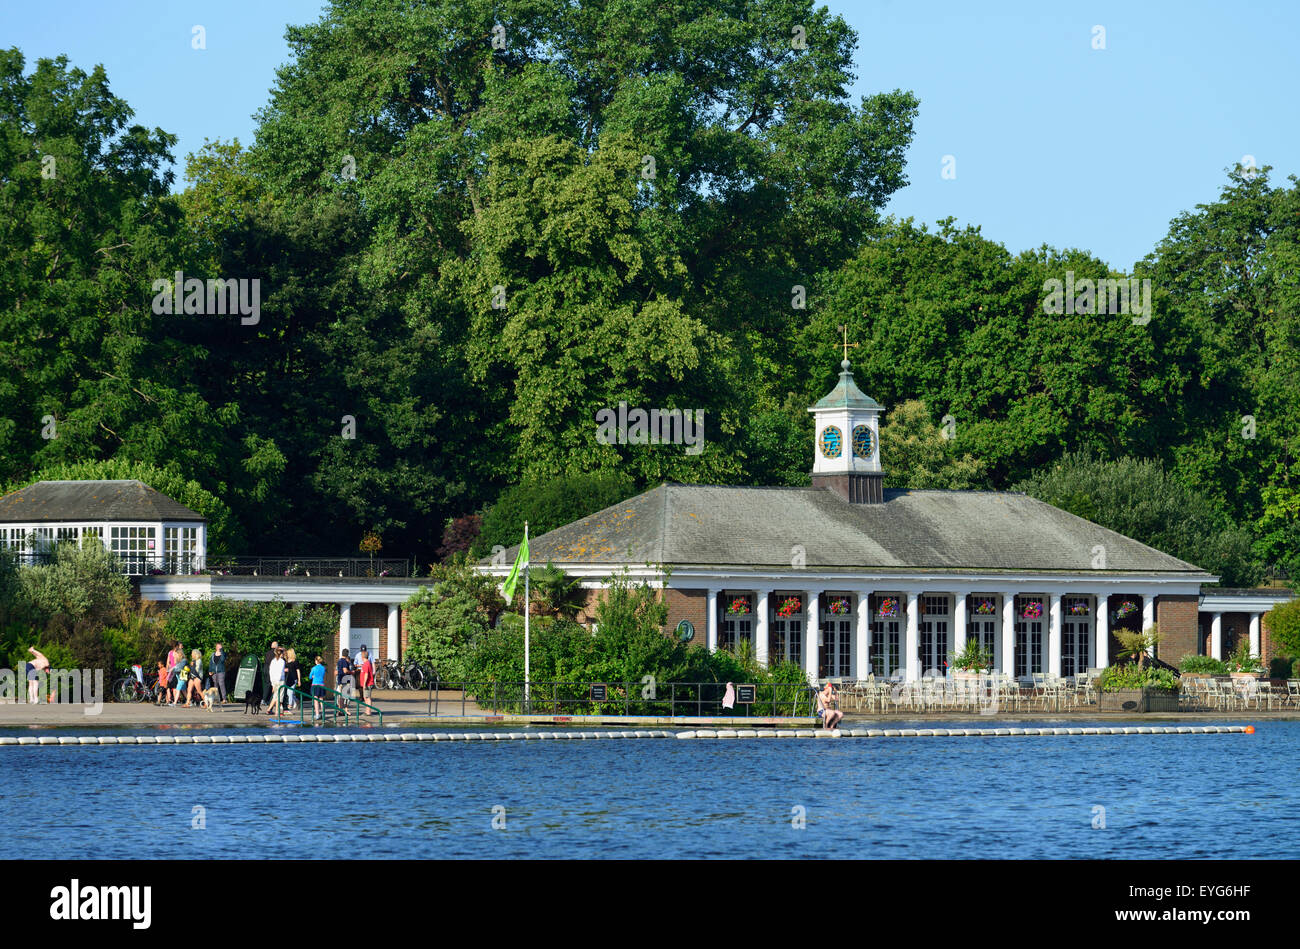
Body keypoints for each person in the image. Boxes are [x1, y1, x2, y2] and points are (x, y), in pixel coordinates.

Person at [266, 647, 287, 718]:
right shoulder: (282, 661)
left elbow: (270, 671)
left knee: (275, 696)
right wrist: (277, 681)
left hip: (274, 680)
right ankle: (277, 712)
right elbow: (280, 671)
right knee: (279, 697)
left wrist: (272, 683)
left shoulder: (273, 661)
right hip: (280, 680)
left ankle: (269, 709)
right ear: (281, 654)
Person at [356, 647, 374, 715]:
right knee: (365, 697)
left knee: (367, 697)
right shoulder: (366, 663)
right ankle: (367, 711)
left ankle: (368, 712)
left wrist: (364, 684)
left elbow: (366, 674)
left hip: (368, 684)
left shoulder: (366, 664)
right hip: (367, 683)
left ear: (362, 657)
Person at [309, 655, 327, 721]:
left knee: (316, 699)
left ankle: (317, 714)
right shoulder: (323, 668)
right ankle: (323, 713)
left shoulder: (314, 668)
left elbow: (310, 676)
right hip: (321, 684)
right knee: (321, 699)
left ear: (316, 661)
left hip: (315, 684)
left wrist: (313, 676)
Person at [262, 640, 280, 704]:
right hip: (271, 670)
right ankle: (267, 699)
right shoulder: (276, 653)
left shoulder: (267, 653)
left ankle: (265, 699)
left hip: (265, 669)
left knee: (267, 684)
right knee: (271, 684)